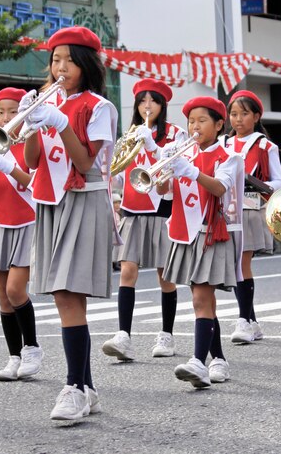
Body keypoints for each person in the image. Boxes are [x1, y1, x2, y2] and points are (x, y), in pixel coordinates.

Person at [22, 26, 117, 421]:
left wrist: (58, 122)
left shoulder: (99, 107)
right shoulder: (49, 103)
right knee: (65, 296)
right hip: (51, 201)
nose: (60, 67)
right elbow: (30, 161)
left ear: (86, 64)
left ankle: (74, 387)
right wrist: (31, 122)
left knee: (67, 294)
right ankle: (87, 388)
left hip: (83, 199)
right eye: (55, 59)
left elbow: (83, 162)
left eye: (68, 60)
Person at [161, 96, 243, 388]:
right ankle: (218, 358)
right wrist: (163, 164)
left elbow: (220, 187)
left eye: (202, 120)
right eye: (191, 121)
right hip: (187, 231)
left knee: (200, 299)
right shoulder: (184, 154)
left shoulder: (228, 156)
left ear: (219, 124)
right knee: (204, 300)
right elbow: (163, 191)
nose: (194, 126)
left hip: (212, 232)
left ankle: (198, 361)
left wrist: (191, 171)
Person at [103, 79, 185, 362]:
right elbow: (115, 171)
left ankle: (167, 334)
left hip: (162, 210)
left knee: (166, 277)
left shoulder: (176, 134)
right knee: (127, 272)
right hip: (132, 209)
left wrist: (152, 147)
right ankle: (123, 335)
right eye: (142, 101)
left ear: (162, 106)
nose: (146, 106)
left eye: (153, 101)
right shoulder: (129, 134)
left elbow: (178, 174)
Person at [0, 88, 42, 382]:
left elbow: (35, 186)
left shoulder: (30, 141)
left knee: (16, 290)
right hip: (1, 224)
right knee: (3, 295)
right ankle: (14, 356)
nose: (6, 117)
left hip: (27, 223)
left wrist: (8, 167)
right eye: (1, 111)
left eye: (13, 111)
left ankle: (32, 348)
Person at [225, 90, 281, 344]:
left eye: (244, 114)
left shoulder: (266, 146)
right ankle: (251, 321)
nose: (238, 120)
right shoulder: (222, 144)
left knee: (241, 264)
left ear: (257, 115)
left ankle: (243, 320)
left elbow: (279, 183)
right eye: (233, 114)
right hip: (225, 209)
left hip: (249, 208)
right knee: (234, 265)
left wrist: (254, 182)